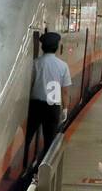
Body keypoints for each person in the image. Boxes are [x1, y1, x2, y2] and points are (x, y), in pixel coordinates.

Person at [27, 31, 72, 170]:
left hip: (34, 106)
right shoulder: (62, 65)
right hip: (53, 106)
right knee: (49, 140)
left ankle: (24, 164)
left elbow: (30, 84)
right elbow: (64, 91)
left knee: (28, 136)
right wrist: (65, 109)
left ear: (42, 47)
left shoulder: (35, 63)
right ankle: (44, 170)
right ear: (57, 47)